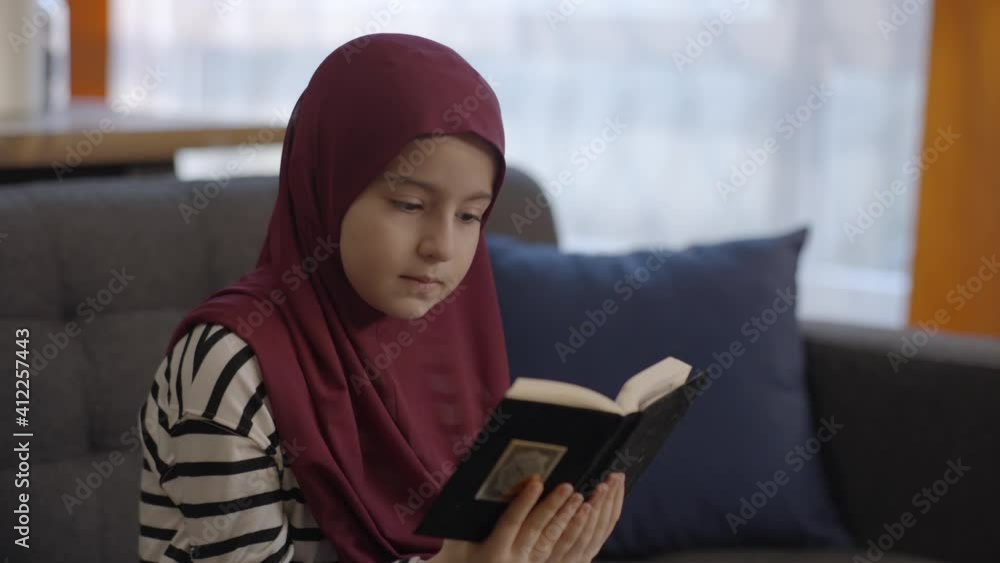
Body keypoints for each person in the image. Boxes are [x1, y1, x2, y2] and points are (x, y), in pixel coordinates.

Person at [136, 33, 624, 563]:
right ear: (327, 186)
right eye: (411, 204)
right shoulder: (230, 366)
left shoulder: (449, 340)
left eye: (470, 217)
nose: (441, 247)